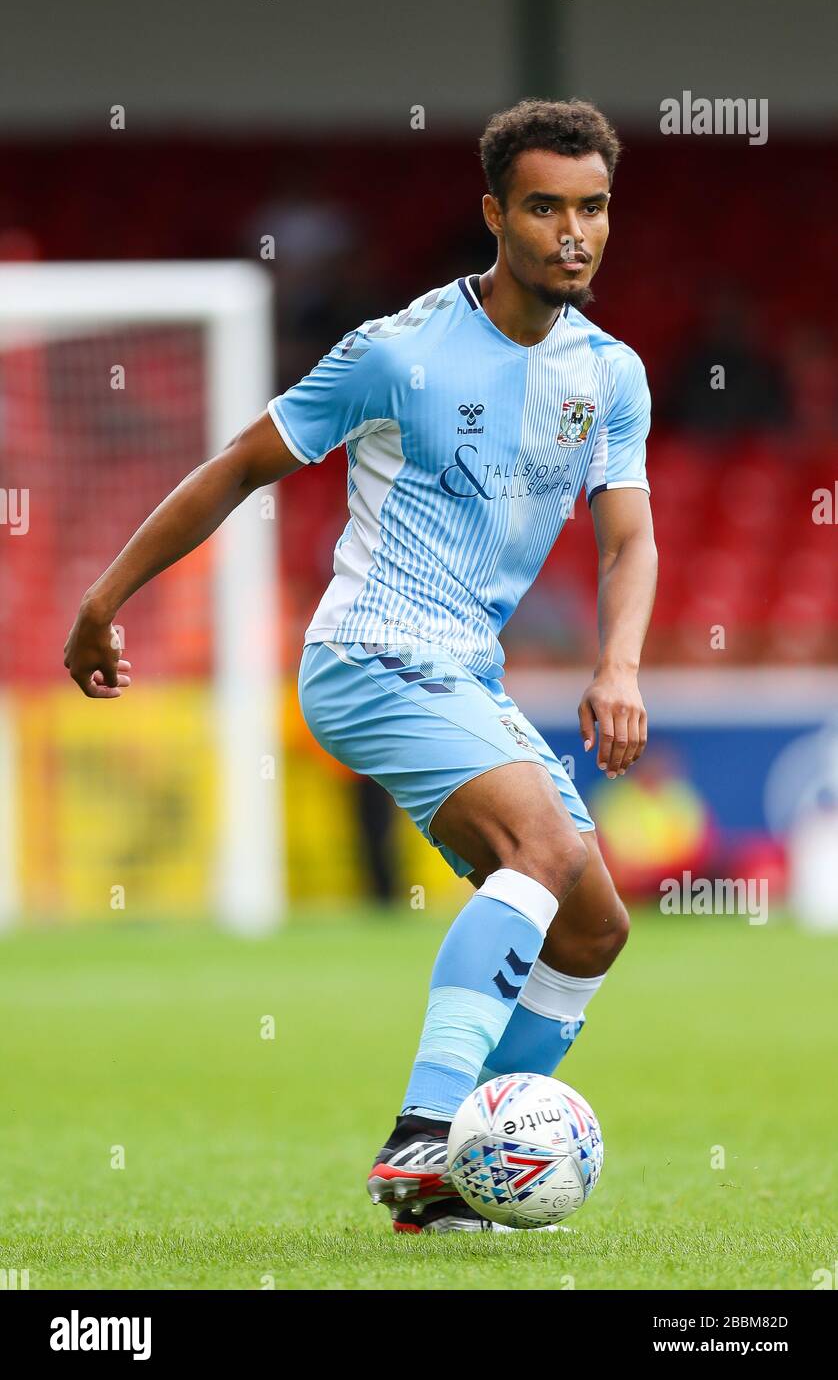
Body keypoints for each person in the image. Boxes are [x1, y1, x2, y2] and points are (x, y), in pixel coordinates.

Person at [64, 98, 658, 1234]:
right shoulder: (398, 352)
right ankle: (425, 1133)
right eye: (544, 207)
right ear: (494, 214)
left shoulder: (609, 374)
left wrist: (617, 663)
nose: (572, 232)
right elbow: (241, 465)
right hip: (368, 656)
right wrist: (103, 599)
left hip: (463, 679)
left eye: (591, 209)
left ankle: (450, 1189)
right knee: (539, 841)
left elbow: (627, 535)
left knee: (591, 927)